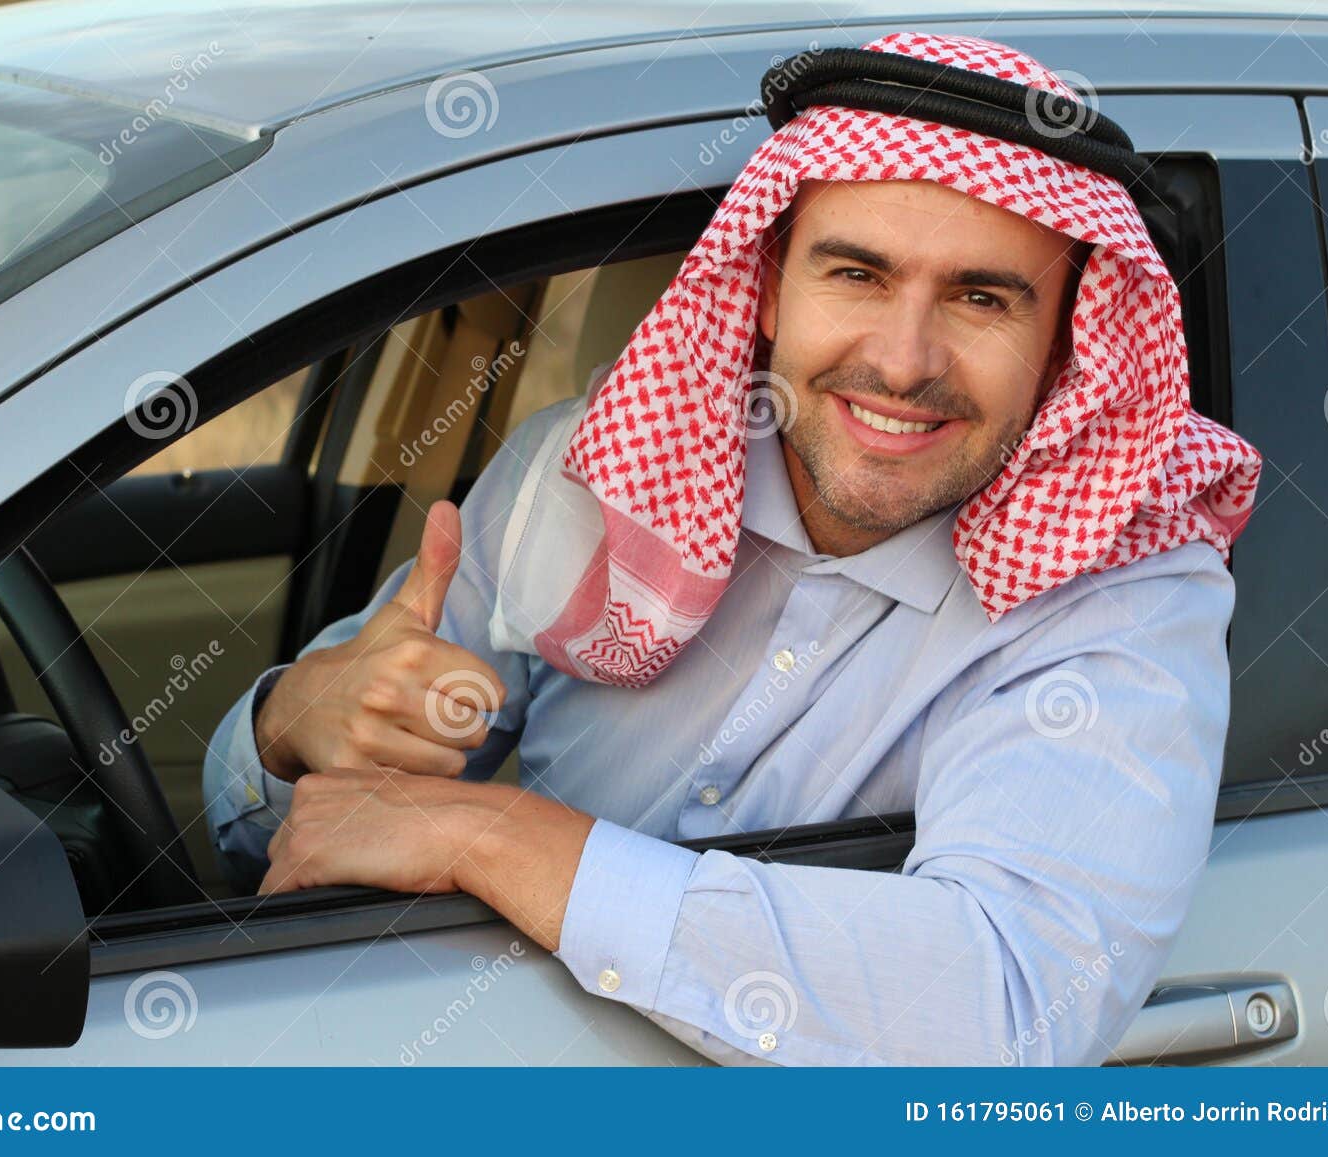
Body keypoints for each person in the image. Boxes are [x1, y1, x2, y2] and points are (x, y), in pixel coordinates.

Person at [202, 30, 1261, 1065]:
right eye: (855, 275)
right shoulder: (586, 479)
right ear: (763, 290)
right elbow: (292, 842)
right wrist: (294, 725)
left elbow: (1007, 1002)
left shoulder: (1120, 592)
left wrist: (490, 835)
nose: (901, 362)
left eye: (982, 298)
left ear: (1067, 340)